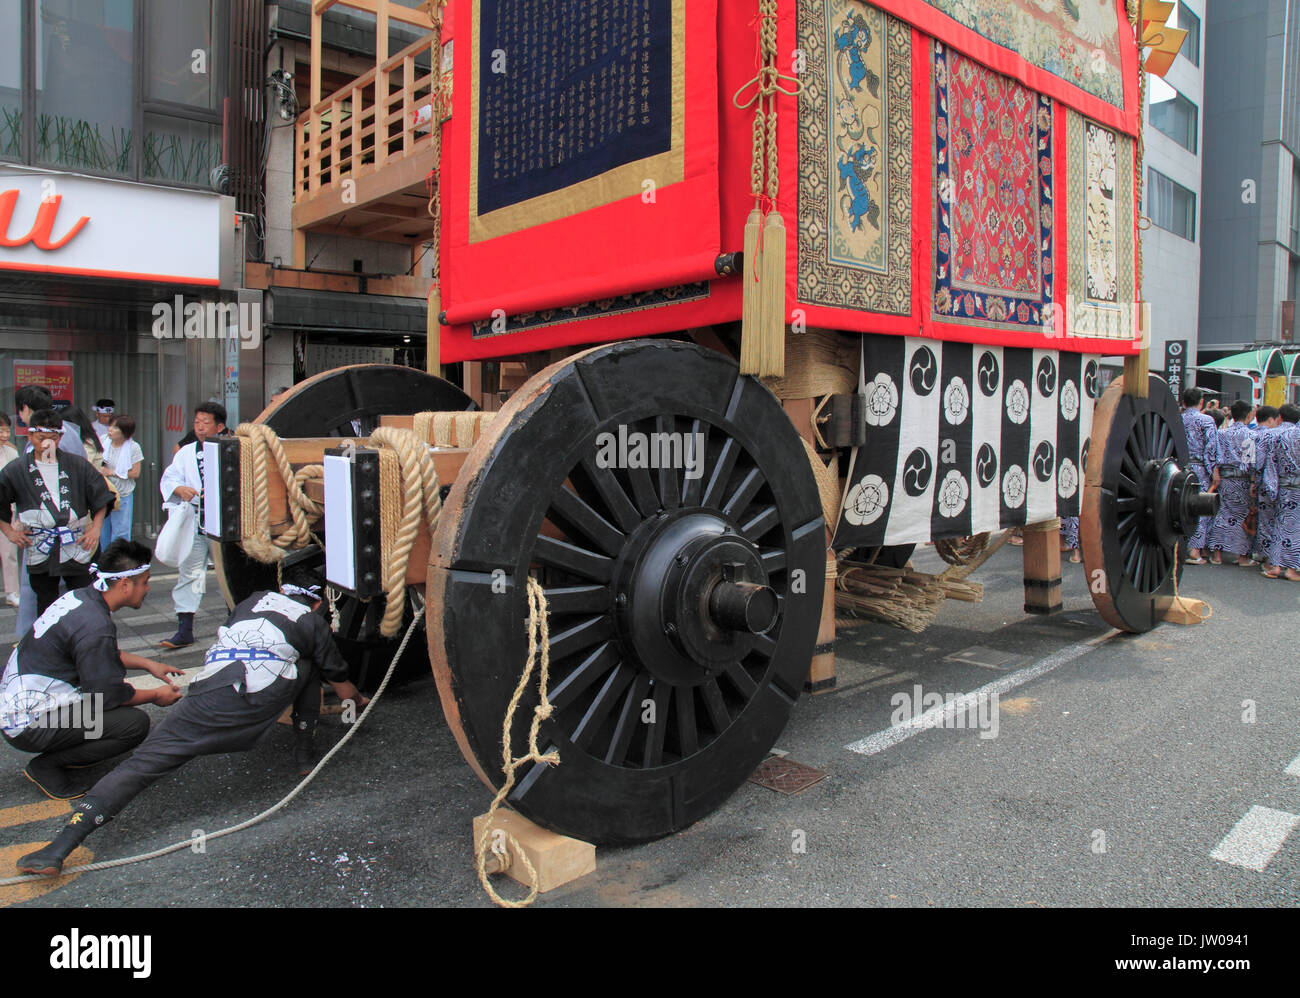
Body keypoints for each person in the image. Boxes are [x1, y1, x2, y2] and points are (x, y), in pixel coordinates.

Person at [15, 565, 369, 876]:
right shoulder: (310, 620)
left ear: (281, 591)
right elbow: (338, 680)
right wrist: (356, 700)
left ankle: (59, 847)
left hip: (204, 695)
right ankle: (305, 755)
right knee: (307, 666)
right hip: (252, 704)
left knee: (140, 766)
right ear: (319, 604)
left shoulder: (251, 601)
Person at [0, 540, 183, 802]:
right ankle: (47, 765)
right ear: (125, 585)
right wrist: (156, 695)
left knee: (106, 713)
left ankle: (70, 749)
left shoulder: (79, 598)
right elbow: (107, 696)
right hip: (29, 724)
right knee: (133, 724)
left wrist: (148, 664)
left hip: (16, 707)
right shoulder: (96, 626)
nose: (147, 588)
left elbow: (92, 651)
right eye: (145, 581)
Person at [0, 409, 113, 619]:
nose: (46, 444)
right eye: (41, 438)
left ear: (60, 437)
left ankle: (81, 644)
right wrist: (9, 532)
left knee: (82, 598)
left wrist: (96, 529)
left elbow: (101, 496)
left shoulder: (77, 465)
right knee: (46, 602)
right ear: (30, 436)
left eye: (52, 438)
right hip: (39, 544)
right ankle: (50, 647)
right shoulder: (16, 469)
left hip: (75, 542)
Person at [12, 386, 87, 639]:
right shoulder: (70, 433)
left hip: (45, 527)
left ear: (25, 409)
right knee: (68, 587)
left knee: (38, 588)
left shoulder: (40, 438)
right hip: (72, 525)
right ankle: (66, 637)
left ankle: (34, 641)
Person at [158, 402, 227, 648]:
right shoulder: (186, 452)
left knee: (227, 576)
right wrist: (179, 488)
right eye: (197, 422)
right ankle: (185, 628)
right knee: (191, 573)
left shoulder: (231, 448)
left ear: (219, 426)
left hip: (224, 524)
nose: (199, 427)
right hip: (197, 521)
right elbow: (170, 477)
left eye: (205, 422)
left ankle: (235, 622)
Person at [1208, 400, 1256, 566]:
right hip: (1242, 480)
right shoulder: (1250, 435)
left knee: (1222, 514)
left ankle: (1217, 554)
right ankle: (1242, 557)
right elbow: (1249, 462)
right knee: (1242, 516)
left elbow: (1214, 455)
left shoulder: (1222, 433)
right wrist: (1252, 482)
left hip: (1225, 479)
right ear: (1249, 414)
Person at [1260, 403, 1300, 580]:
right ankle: (1292, 568)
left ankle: (1275, 565)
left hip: (1284, 486)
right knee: (1297, 528)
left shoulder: (1280, 435)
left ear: (1280, 417)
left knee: (1280, 524)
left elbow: (1271, 464)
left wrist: (1271, 487)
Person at [1180, 387, 1220, 564]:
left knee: (1178, 506)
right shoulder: (1206, 420)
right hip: (1199, 469)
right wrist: (1214, 471)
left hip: (1178, 468)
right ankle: (1194, 550)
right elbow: (1210, 449)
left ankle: (1179, 546)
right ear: (1201, 402)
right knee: (1199, 505)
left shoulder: (1177, 418)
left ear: (1183, 402)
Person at [98, 415, 144, 548]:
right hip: (103, 492)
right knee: (102, 530)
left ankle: (119, 562)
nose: (110, 429)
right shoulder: (103, 441)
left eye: (115, 427)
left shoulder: (133, 447)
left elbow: (135, 473)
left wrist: (112, 472)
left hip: (122, 493)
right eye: (110, 425)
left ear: (125, 432)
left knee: (120, 531)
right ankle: (104, 561)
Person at [1251, 405, 1283, 567]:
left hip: (1264, 482)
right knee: (1282, 522)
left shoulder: (1253, 435)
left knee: (1265, 521)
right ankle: (1282, 559)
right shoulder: (1281, 434)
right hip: (1286, 485)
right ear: (1272, 419)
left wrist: (1253, 482)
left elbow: (1253, 462)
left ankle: (1265, 555)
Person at [0, 414, 19, 607]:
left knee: (9, 552)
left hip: (7, 510)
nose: (5, 434)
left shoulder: (11, 453)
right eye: (1, 430)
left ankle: (12, 591)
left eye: (7, 430)